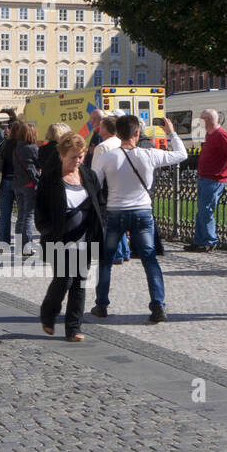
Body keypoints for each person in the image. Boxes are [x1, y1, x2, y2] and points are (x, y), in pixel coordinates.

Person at [91, 115, 187, 323]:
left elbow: (94, 183)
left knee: (106, 260)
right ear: (137, 133)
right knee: (149, 259)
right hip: (142, 211)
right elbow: (181, 154)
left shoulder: (108, 157)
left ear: (117, 132)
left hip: (115, 211)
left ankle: (101, 304)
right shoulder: (149, 154)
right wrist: (170, 132)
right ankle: (158, 305)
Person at [34, 131, 105, 341]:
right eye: (73, 156)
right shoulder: (51, 177)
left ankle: (73, 328)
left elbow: (100, 202)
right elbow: (40, 210)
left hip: (84, 237)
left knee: (80, 282)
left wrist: (102, 223)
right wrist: (48, 230)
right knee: (64, 279)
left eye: (81, 156)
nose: (78, 160)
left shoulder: (88, 175)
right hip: (60, 238)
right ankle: (48, 313)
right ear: (62, 156)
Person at [184, 108, 227, 253]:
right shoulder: (210, 134)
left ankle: (209, 241)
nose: (199, 122)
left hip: (214, 179)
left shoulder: (221, 135)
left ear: (208, 120)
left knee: (206, 210)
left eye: (202, 119)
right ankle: (200, 241)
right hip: (206, 177)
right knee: (202, 210)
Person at [89, 115, 129, 264]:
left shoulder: (102, 146)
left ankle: (116, 253)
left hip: (107, 186)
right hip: (122, 184)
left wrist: (93, 190)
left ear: (105, 128)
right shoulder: (121, 142)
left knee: (109, 221)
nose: (99, 128)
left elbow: (95, 171)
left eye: (101, 125)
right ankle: (125, 251)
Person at [12, 122, 41, 256]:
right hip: (29, 185)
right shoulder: (32, 148)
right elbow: (39, 163)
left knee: (21, 215)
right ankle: (26, 246)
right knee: (28, 216)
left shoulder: (17, 148)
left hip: (17, 184)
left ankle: (19, 245)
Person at [0, 121, 21, 245]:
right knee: (22, 215)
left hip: (5, 181)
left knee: (5, 214)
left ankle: (3, 241)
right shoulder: (24, 145)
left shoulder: (6, 143)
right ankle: (22, 243)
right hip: (20, 182)